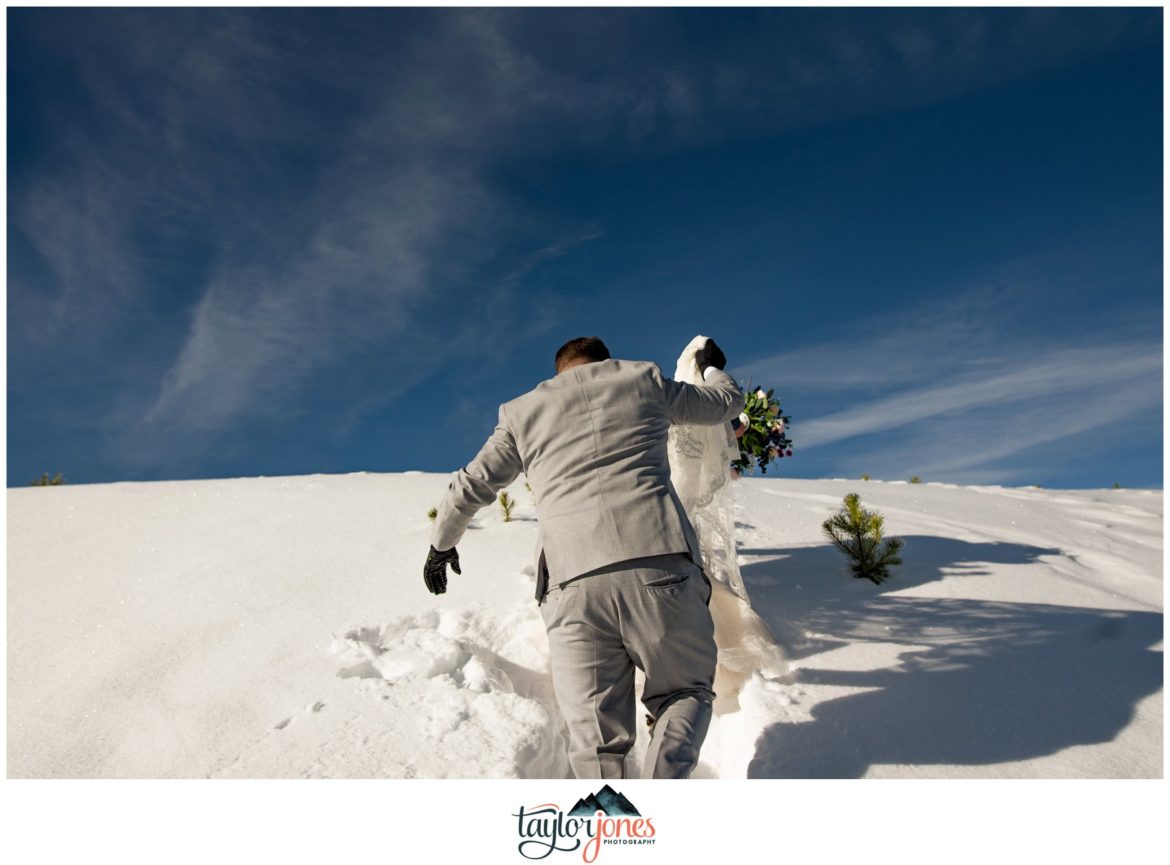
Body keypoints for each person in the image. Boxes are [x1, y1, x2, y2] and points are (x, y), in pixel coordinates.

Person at [424, 336, 741, 779]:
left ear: (559, 370)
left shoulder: (520, 412)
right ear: (605, 362)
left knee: (595, 742)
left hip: (571, 585)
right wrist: (709, 368)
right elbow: (725, 403)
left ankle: (610, 819)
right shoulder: (643, 380)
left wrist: (441, 544)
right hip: (659, 568)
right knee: (684, 693)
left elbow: (472, 483)